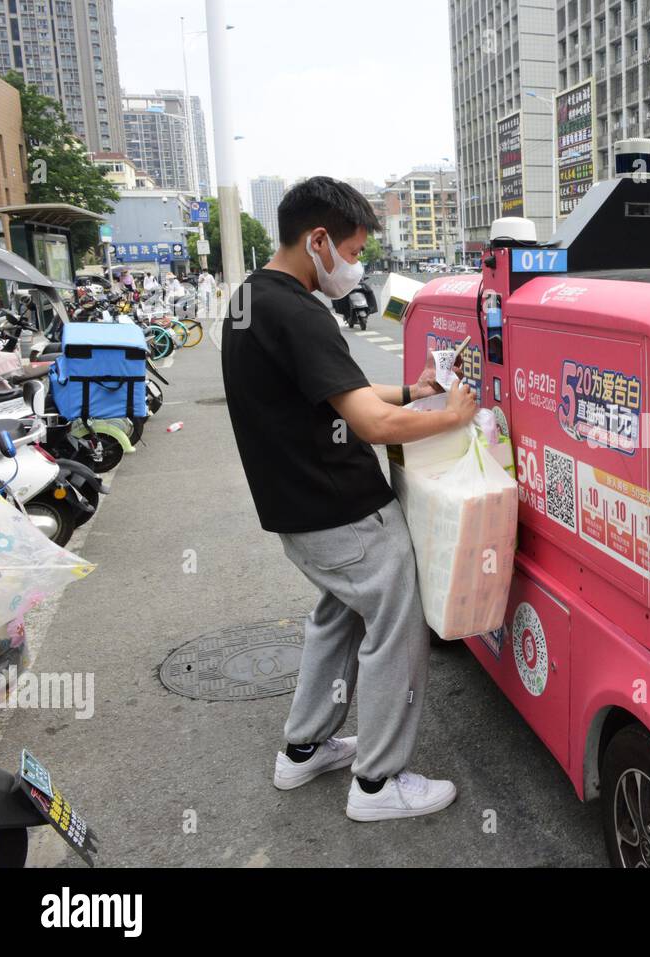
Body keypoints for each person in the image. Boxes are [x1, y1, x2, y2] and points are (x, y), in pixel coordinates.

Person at [221, 176, 477, 822]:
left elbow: (341, 394)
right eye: (354, 250)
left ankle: (305, 744)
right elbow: (370, 425)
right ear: (317, 241)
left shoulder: (250, 299)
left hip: (299, 516)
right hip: (344, 512)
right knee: (396, 619)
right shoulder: (301, 313)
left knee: (338, 613)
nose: (356, 265)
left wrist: (414, 391)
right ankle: (379, 781)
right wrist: (452, 415)